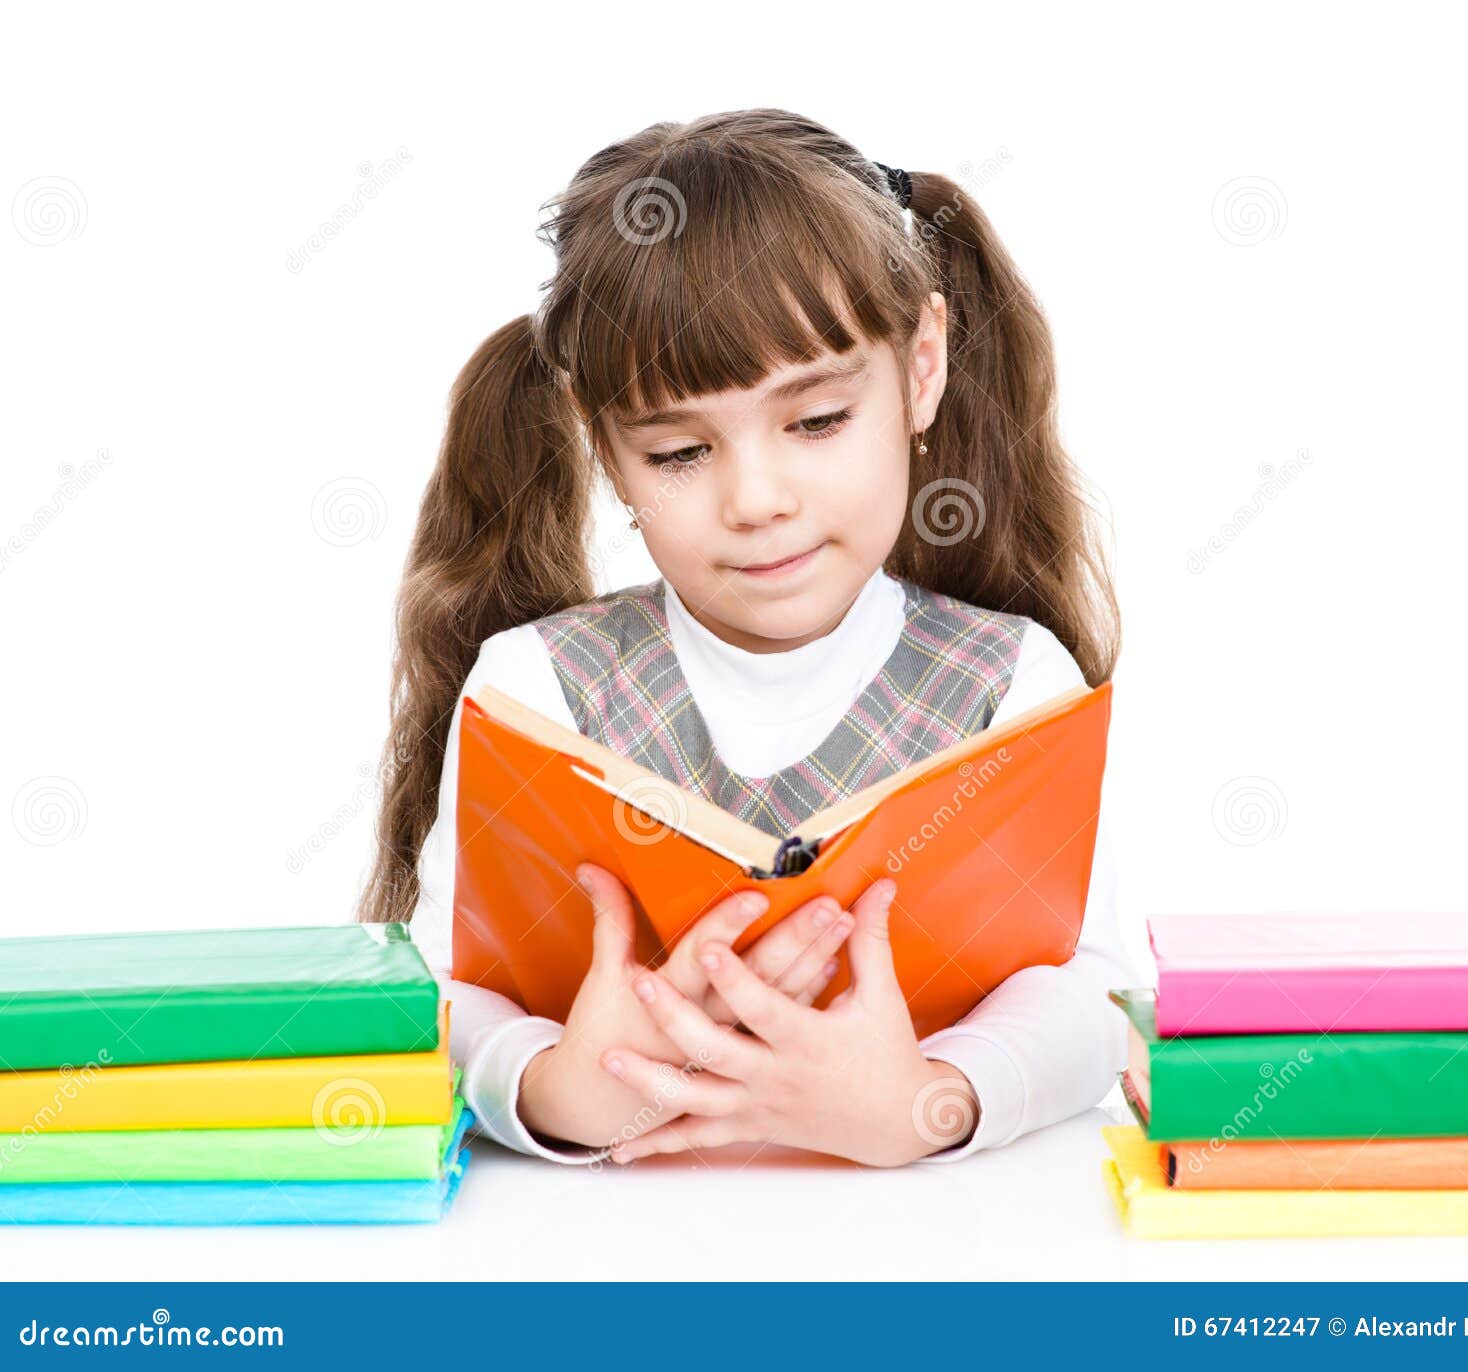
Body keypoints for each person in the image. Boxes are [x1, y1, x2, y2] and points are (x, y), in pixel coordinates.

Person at [360, 108, 1132, 1167]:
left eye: (816, 422)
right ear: (608, 454)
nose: (756, 499)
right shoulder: (537, 685)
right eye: (680, 451)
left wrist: (930, 1098)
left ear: (920, 367)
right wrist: (554, 1089)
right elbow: (450, 997)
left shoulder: (1009, 683)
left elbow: (1089, 992)